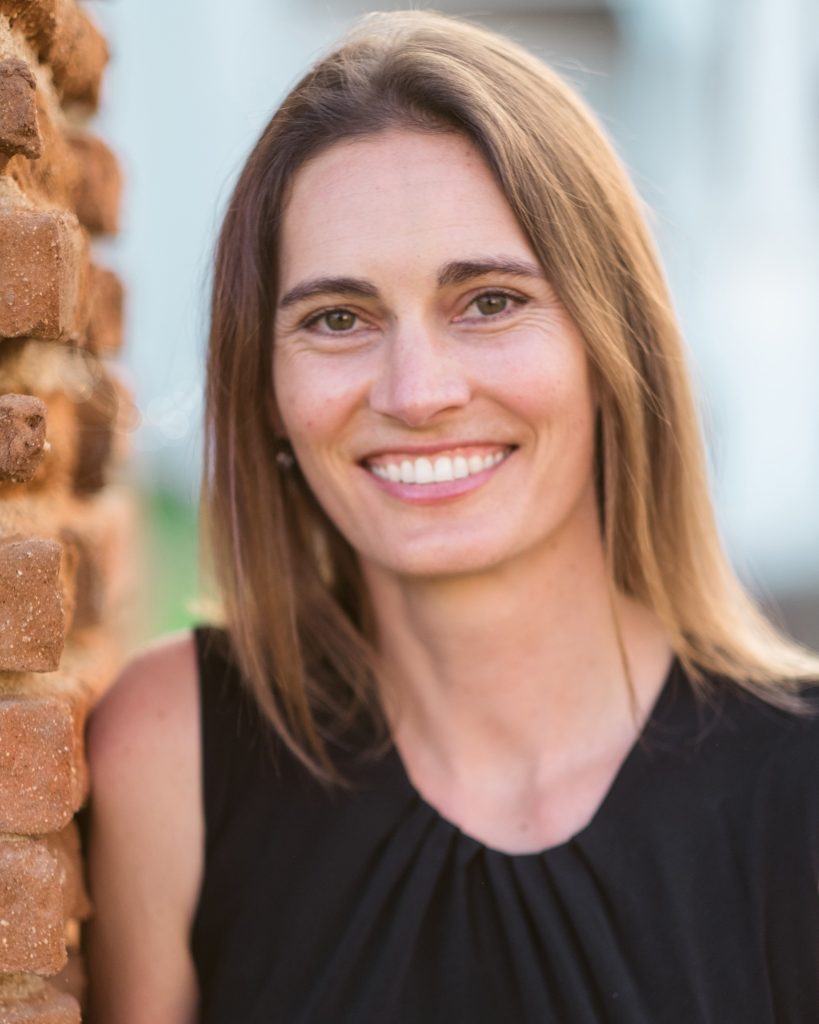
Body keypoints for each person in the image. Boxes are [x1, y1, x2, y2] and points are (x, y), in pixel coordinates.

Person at [84, 10, 819, 1023]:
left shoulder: (799, 787)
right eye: (337, 319)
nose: (417, 392)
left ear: (614, 349)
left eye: (489, 301)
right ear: (267, 393)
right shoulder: (174, 753)